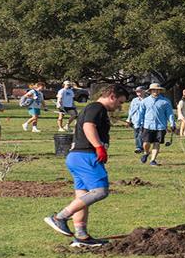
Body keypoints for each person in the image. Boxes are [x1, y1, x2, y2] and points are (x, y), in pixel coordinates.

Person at [45, 84, 131, 248]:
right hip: (86, 156)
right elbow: (88, 126)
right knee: (100, 191)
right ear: (112, 96)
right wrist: (99, 147)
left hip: (76, 157)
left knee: (82, 197)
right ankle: (59, 217)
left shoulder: (95, 109)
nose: (119, 106)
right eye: (120, 102)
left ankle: (81, 236)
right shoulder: (97, 107)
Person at [139, 83, 174, 166]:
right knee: (146, 143)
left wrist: (172, 123)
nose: (156, 91)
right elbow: (141, 113)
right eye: (154, 90)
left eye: (158, 90)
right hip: (147, 125)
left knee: (156, 143)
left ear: (160, 91)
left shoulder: (165, 101)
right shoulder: (145, 101)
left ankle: (153, 160)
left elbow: (169, 113)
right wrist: (139, 123)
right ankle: (146, 153)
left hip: (161, 126)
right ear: (150, 91)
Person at [126, 85, 147, 153]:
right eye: (137, 91)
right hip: (135, 120)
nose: (137, 92)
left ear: (144, 91)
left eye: (139, 91)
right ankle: (141, 147)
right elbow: (131, 110)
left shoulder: (148, 100)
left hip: (145, 120)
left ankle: (139, 147)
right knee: (137, 134)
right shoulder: (134, 100)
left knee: (141, 134)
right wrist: (128, 119)